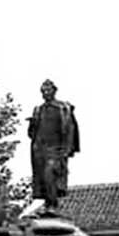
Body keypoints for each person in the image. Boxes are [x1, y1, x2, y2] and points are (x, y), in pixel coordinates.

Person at [28, 79, 80, 214]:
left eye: (48, 90)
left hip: (56, 149)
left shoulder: (63, 108)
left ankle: (53, 204)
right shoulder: (38, 110)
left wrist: (67, 150)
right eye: (43, 91)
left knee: (50, 174)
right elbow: (31, 134)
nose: (45, 93)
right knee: (42, 179)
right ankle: (47, 203)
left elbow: (70, 130)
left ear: (54, 91)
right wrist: (32, 124)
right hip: (40, 150)